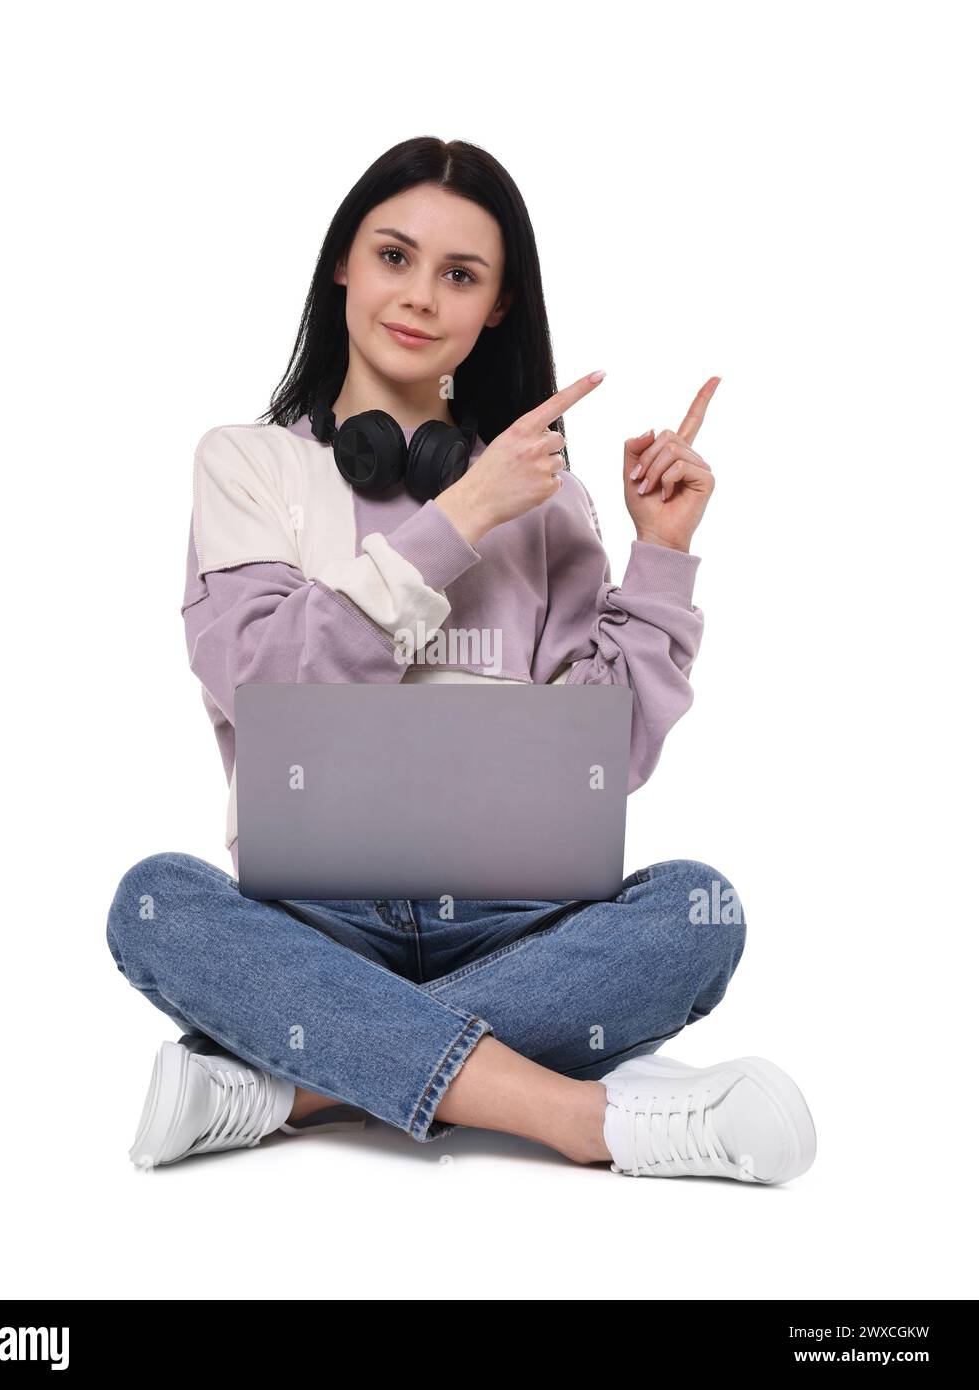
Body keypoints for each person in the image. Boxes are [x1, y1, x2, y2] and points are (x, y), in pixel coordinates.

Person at [106, 135, 817, 1183]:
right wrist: (462, 512)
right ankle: (586, 1121)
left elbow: (601, 760)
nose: (418, 296)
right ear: (341, 263)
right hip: (313, 923)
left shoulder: (553, 504)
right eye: (393, 256)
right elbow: (271, 689)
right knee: (154, 902)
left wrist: (658, 554)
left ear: (494, 309)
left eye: (459, 275)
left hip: (516, 926)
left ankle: (288, 1084)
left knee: (693, 912)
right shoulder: (249, 464)